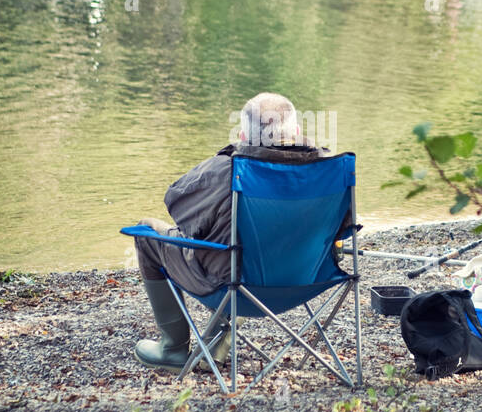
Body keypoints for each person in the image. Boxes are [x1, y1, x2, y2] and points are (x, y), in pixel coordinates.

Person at [133, 92, 333, 371]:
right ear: (297, 132)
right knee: (251, 242)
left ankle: (173, 349)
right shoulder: (327, 170)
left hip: (238, 287)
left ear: (242, 136)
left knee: (147, 233)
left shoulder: (226, 170)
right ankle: (216, 344)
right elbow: (340, 231)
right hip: (305, 281)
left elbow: (177, 206)